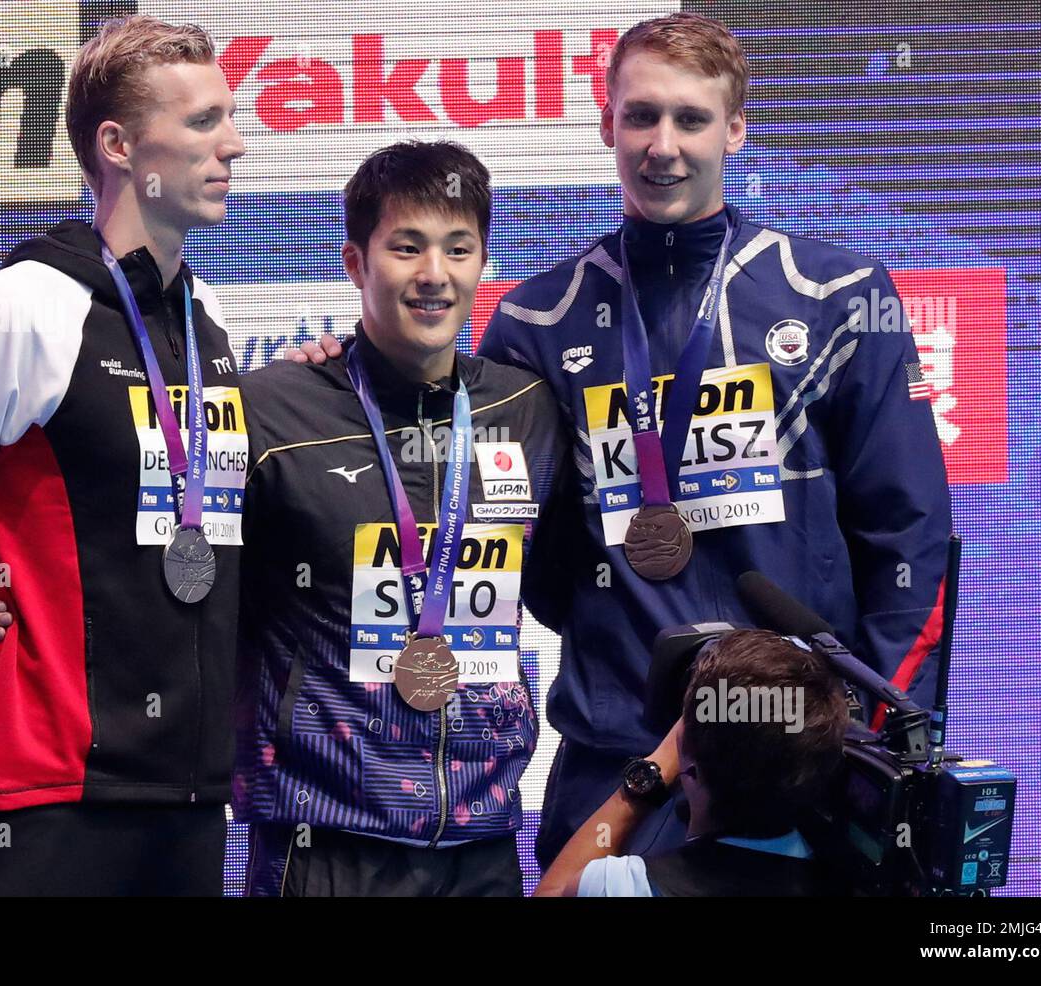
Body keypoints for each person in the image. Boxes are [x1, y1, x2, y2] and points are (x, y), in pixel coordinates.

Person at [292, 12, 951, 868]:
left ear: (736, 129)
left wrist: (875, 734)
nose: (662, 146)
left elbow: (910, 540)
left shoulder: (839, 297)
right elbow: (513, 543)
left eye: (691, 119)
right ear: (606, 124)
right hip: (614, 763)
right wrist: (336, 375)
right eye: (641, 116)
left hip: (797, 762)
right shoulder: (536, 322)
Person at [0, 140, 573, 896]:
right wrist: (16, 607)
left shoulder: (527, 409)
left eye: (458, 249)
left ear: (483, 262)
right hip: (322, 846)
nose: (434, 274)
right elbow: (152, 571)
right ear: (355, 263)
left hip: (483, 847)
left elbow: (575, 582)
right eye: (406, 247)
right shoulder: (269, 412)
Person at [0, 14, 247, 895]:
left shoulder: (209, 319)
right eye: (202, 121)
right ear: (118, 146)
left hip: (187, 801)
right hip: (47, 799)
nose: (234, 144)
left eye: (228, 117)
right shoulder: (19, 309)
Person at [534, 629, 851, 896]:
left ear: (690, 768)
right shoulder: (858, 879)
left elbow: (553, 891)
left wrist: (654, 770)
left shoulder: (627, 885)